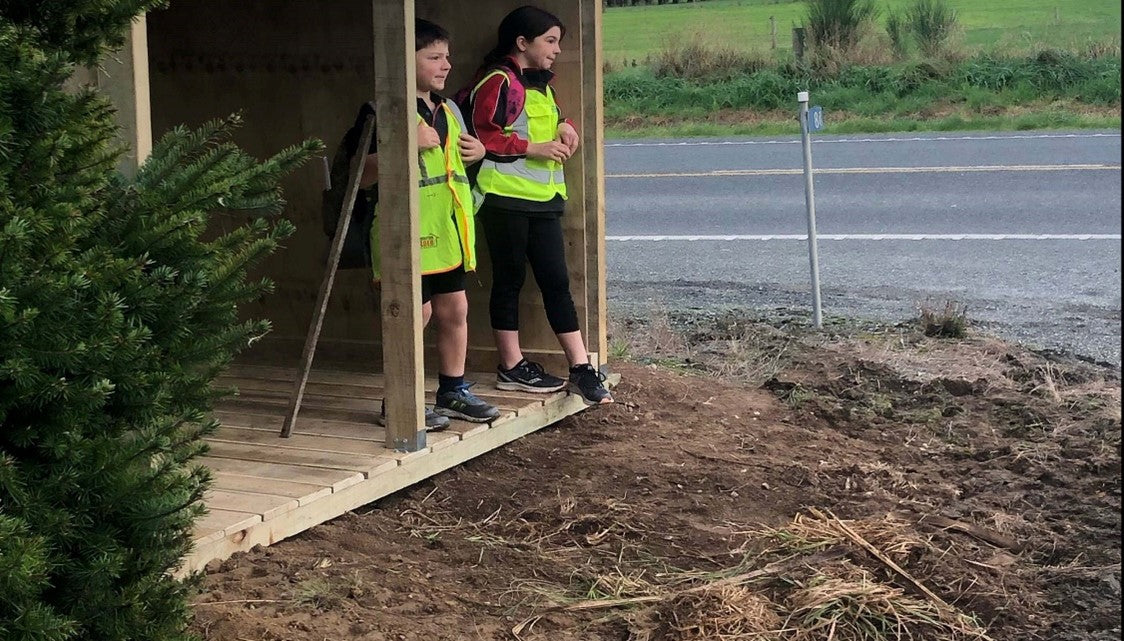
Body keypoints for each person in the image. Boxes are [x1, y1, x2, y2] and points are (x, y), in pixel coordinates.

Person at [339, 19, 501, 430]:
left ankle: (453, 391)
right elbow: (357, 173)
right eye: (433, 57)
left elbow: (456, 168)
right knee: (413, 315)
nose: (445, 65)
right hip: (401, 235)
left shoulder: (448, 109)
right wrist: (403, 144)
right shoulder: (380, 111)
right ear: (403, 61)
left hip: (445, 234)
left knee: (455, 311)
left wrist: (479, 150)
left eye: (446, 56)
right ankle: (399, 400)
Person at [462, 5, 612, 405]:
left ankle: (581, 368)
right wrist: (536, 148)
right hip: (504, 200)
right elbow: (482, 139)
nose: (557, 50)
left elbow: (544, 121)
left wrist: (567, 126)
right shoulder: (497, 81)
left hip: (545, 199)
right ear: (522, 43)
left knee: (557, 284)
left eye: (558, 42)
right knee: (509, 283)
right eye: (550, 41)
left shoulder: (539, 82)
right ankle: (511, 367)